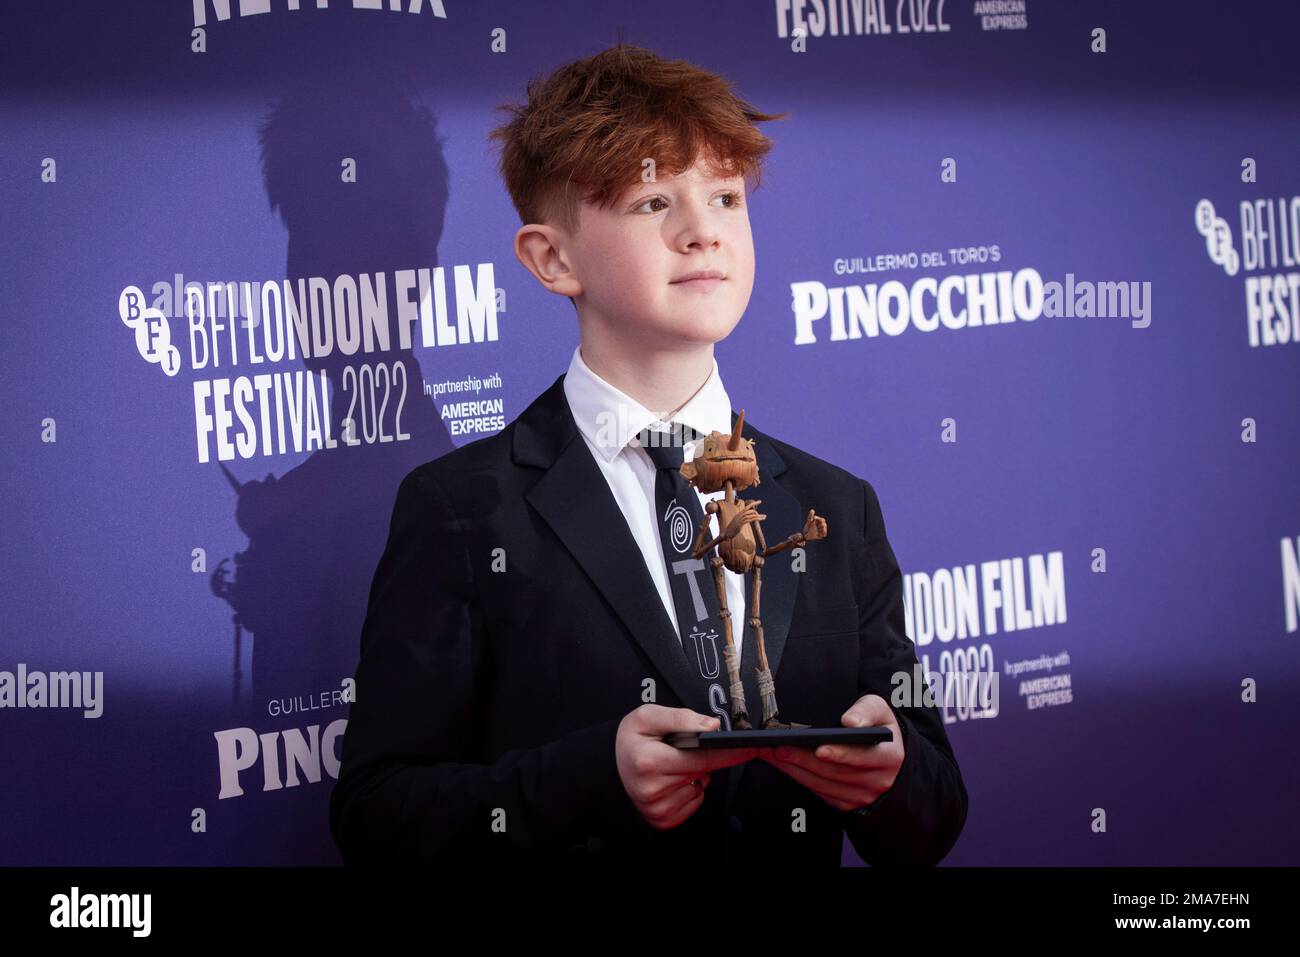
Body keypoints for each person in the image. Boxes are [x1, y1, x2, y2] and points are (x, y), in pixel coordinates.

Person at [330, 42, 967, 866]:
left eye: (726, 196)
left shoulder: (835, 507)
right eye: (651, 200)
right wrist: (593, 777)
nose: (703, 231)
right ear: (552, 258)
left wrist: (890, 777)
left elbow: (932, 817)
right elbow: (376, 817)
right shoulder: (461, 508)